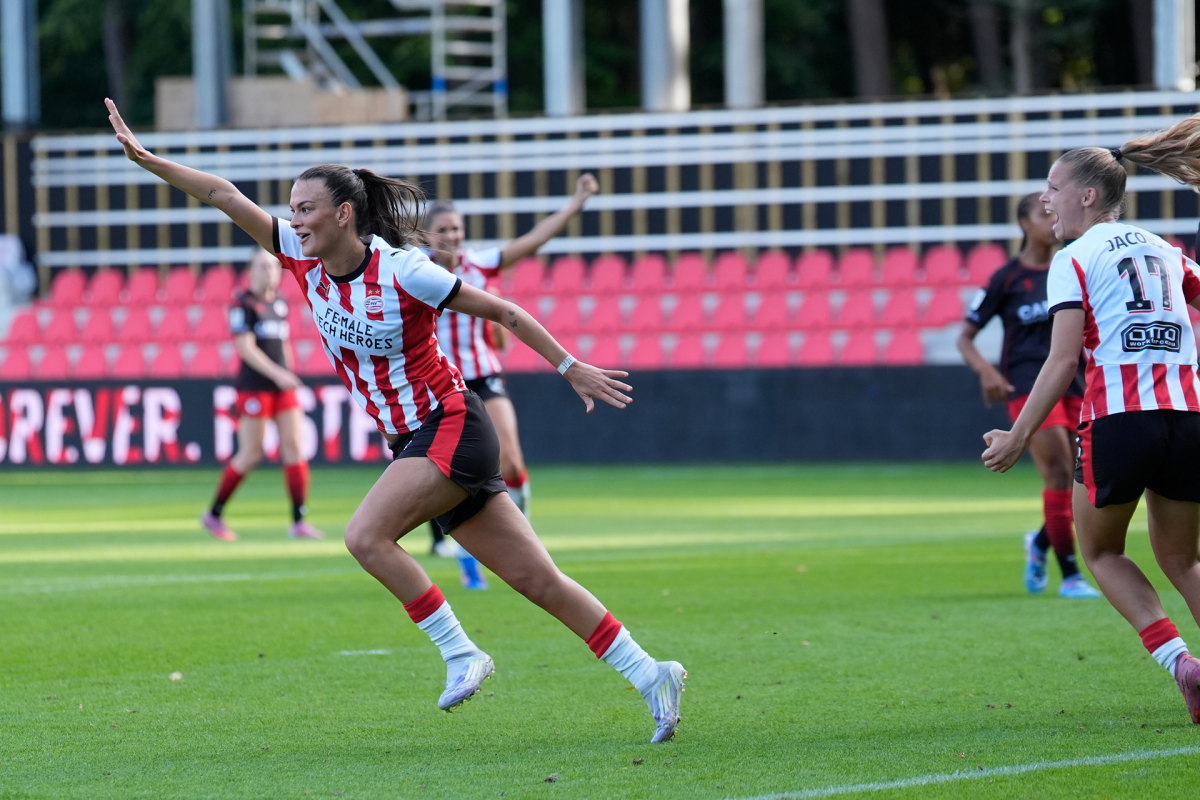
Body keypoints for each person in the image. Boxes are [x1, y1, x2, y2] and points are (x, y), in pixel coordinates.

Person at [107, 98, 687, 743]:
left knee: (364, 536)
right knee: (536, 579)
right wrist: (146, 159)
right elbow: (220, 192)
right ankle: (651, 672)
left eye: (306, 209)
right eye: (292, 210)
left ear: (343, 213)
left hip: (451, 422)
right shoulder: (301, 259)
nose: (294, 222)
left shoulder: (404, 269)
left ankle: (462, 652)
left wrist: (569, 365)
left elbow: (504, 312)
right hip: (412, 438)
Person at [982, 123, 1200, 724]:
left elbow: (1061, 360)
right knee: (1184, 560)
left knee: (1101, 552)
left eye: (1053, 185)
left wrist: (1017, 435)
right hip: (1188, 419)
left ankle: (1182, 663)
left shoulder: (1072, 258)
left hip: (1117, 423)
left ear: (1087, 195)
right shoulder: (1166, 248)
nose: (1044, 198)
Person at [421, 175, 599, 578]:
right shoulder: (415, 272)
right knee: (443, 470)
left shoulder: (481, 264)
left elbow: (533, 241)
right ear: (428, 236)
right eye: (444, 229)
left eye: (457, 229)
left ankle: (521, 533)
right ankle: (462, 548)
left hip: (484, 376)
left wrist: (576, 203)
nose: (452, 236)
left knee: (512, 463)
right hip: (438, 383)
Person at [958, 193, 1101, 598]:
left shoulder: (1072, 268)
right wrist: (986, 370)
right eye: (1043, 213)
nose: (1051, 217)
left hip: (1076, 382)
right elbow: (965, 337)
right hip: (1027, 385)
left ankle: (1039, 543)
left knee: (1086, 481)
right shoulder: (1006, 278)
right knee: (1057, 473)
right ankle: (1071, 575)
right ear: (1024, 223)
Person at [200, 248, 324, 541]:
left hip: (281, 388)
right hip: (255, 387)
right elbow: (246, 348)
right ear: (250, 271)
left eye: (272, 266)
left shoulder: (279, 303)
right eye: (262, 266)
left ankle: (298, 520)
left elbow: (283, 345)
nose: (269, 271)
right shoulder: (242, 304)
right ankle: (214, 514)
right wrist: (279, 374)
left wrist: (289, 372)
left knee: (294, 447)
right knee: (250, 454)